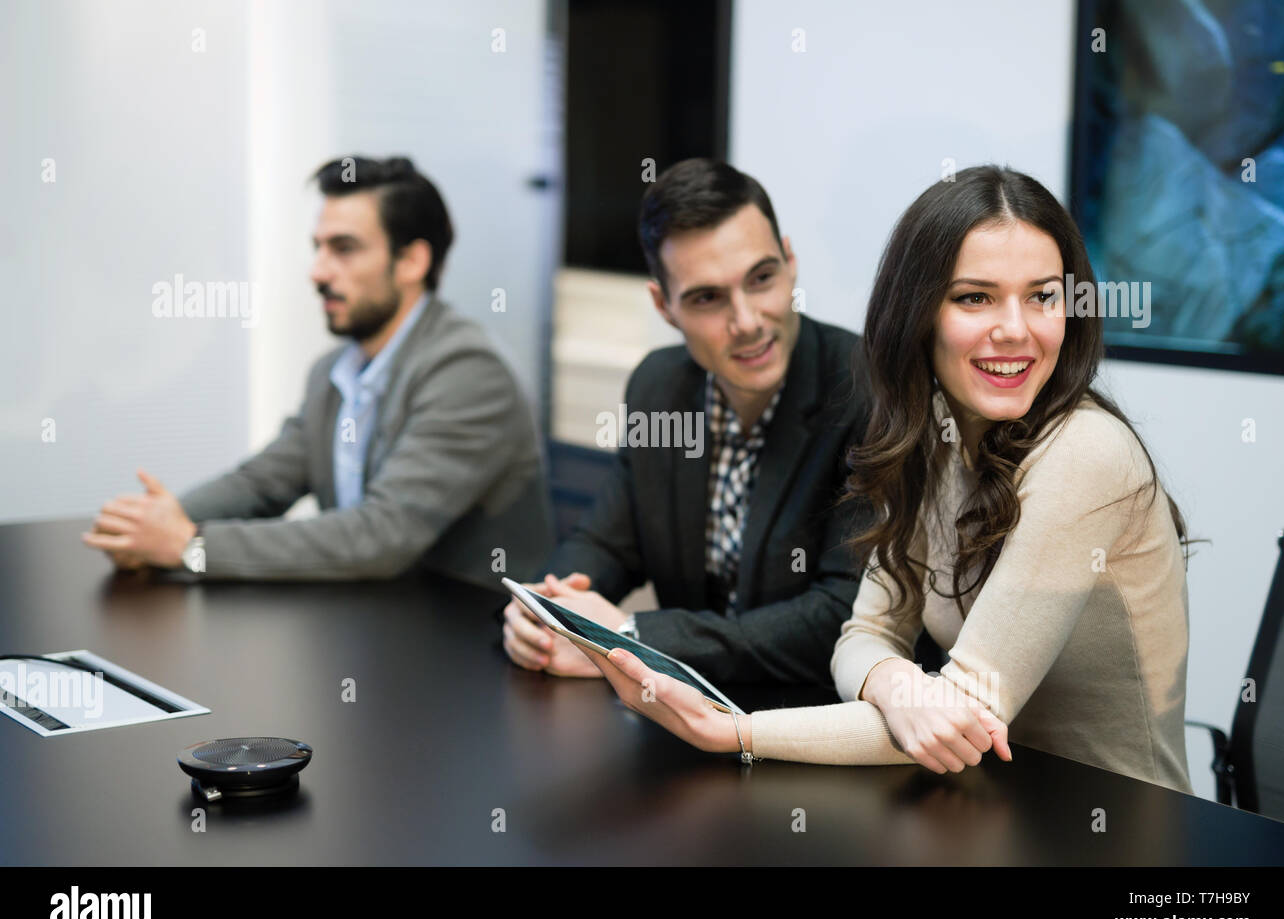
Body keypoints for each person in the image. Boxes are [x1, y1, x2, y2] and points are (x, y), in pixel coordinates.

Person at [574, 165, 1196, 794]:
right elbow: (865, 633)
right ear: (918, 314)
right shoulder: (931, 433)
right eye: (975, 297)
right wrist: (897, 685)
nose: (1015, 328)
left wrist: (734, 732)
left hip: (1115, 830)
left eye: (1042, 296)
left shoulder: (1084, 453)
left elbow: (965, 714)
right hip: (988, 806)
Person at [82, 156, 550, 587]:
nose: (318, 272)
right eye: (318, 248)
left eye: (343, 249)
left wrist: (189, 546)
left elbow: (383, 536)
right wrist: (149, 527)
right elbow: (261, 484)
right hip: (372, 625)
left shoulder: (467, 372)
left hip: (466, 647)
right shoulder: (336, 370)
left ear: (411, 261)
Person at [502, 158, 869, 688]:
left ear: (790, 262)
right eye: (707, 298)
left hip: (816, 724)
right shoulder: (660, 388)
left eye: (762, 279)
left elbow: (841, 616)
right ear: (664, 306)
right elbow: (607, 544)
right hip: (685, 718)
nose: (747, 322)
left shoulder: (864, 390)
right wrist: (544, 610)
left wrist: (630, 636)